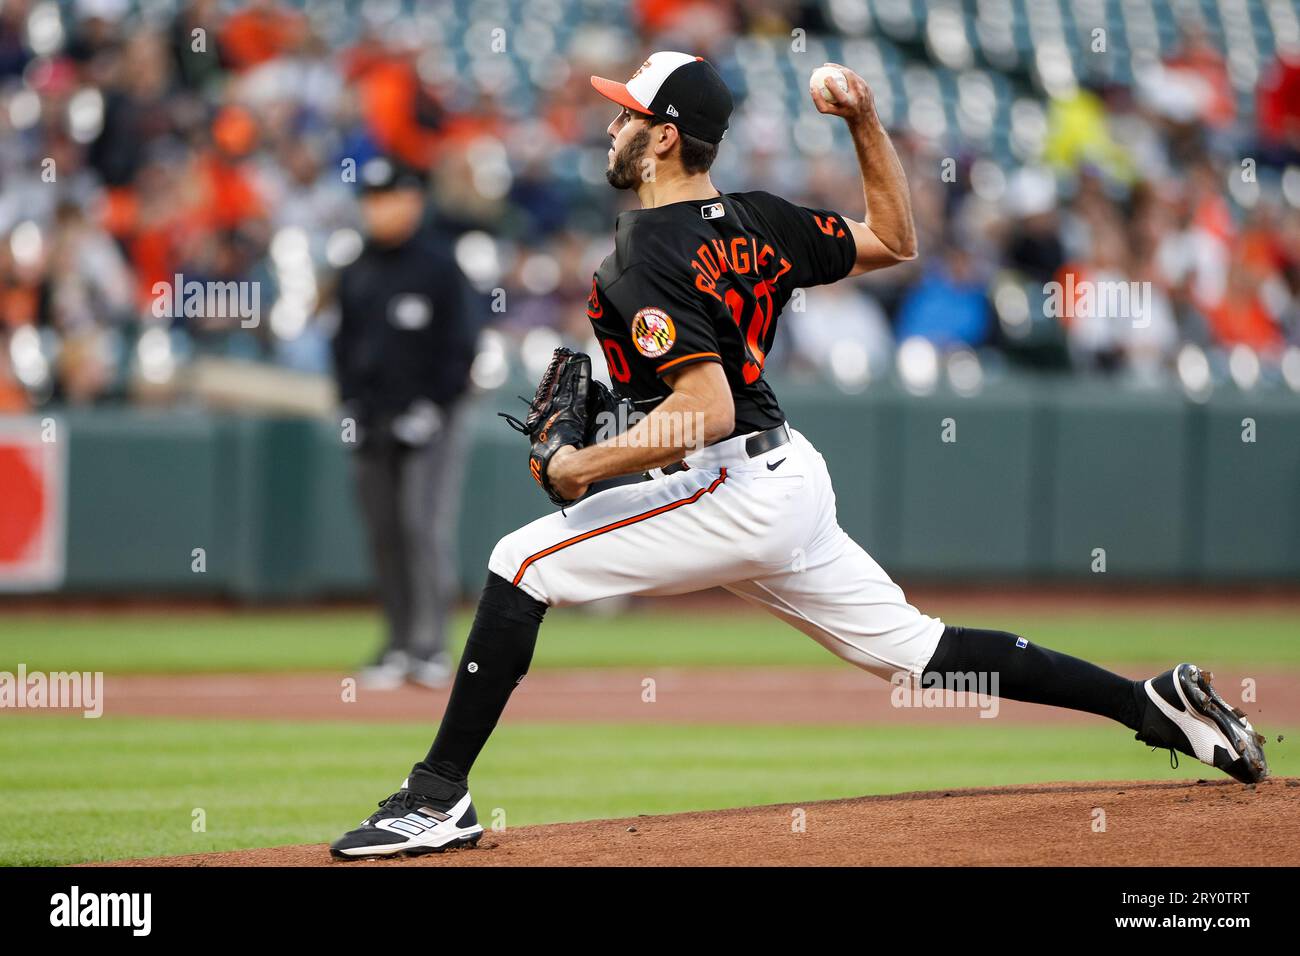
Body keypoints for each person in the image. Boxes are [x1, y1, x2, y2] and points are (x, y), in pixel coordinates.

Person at [330, 54, 1268, 858]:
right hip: (784, 480)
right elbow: (896, 238)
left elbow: (701, 406)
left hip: (733, 479)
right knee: (919, 651)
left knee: (519, 562)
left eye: (626, 113)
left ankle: (435, 798)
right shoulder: (758, 219)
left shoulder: (640, 255)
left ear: (662, 137)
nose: (610, 126)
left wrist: (581, 469)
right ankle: (1154, 705)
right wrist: (865, 120)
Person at [331, 156, 481, 690]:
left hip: (432, 418)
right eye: (370, 201)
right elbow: (344, 346)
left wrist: (434, 405)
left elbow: (463, 346)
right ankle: (396, 644)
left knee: (422, 526)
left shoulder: (440, 266)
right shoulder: (357, 269)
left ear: (412, 201)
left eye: (387, 199)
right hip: (372, 420)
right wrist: (350, 403)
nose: (377, 211)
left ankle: (429, 645)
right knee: (384, 531)